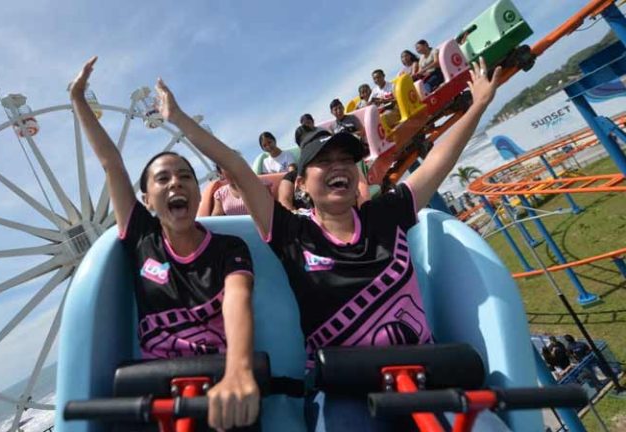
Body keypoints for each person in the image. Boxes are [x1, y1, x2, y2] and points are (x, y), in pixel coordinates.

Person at [155, 57, 504, 431]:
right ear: (302, 184)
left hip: (428, 375)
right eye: (324, 162)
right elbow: (236, 166)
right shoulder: (291, 233)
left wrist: (480, 103)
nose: (338, 166)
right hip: (344, 389)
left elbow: (437, 160)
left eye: (346, 160)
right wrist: (178, 118)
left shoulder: (387, 214)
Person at [70, 57, 259, 431]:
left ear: (197, 189)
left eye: (186, 176)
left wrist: (238, 370)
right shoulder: (142, 237)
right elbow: (112, 165)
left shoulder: (229, 248)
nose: (176, 183)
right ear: (146, 200)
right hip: (156, 388)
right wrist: (78, 101)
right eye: (163, 179)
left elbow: (238, 300)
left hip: (219, 381)